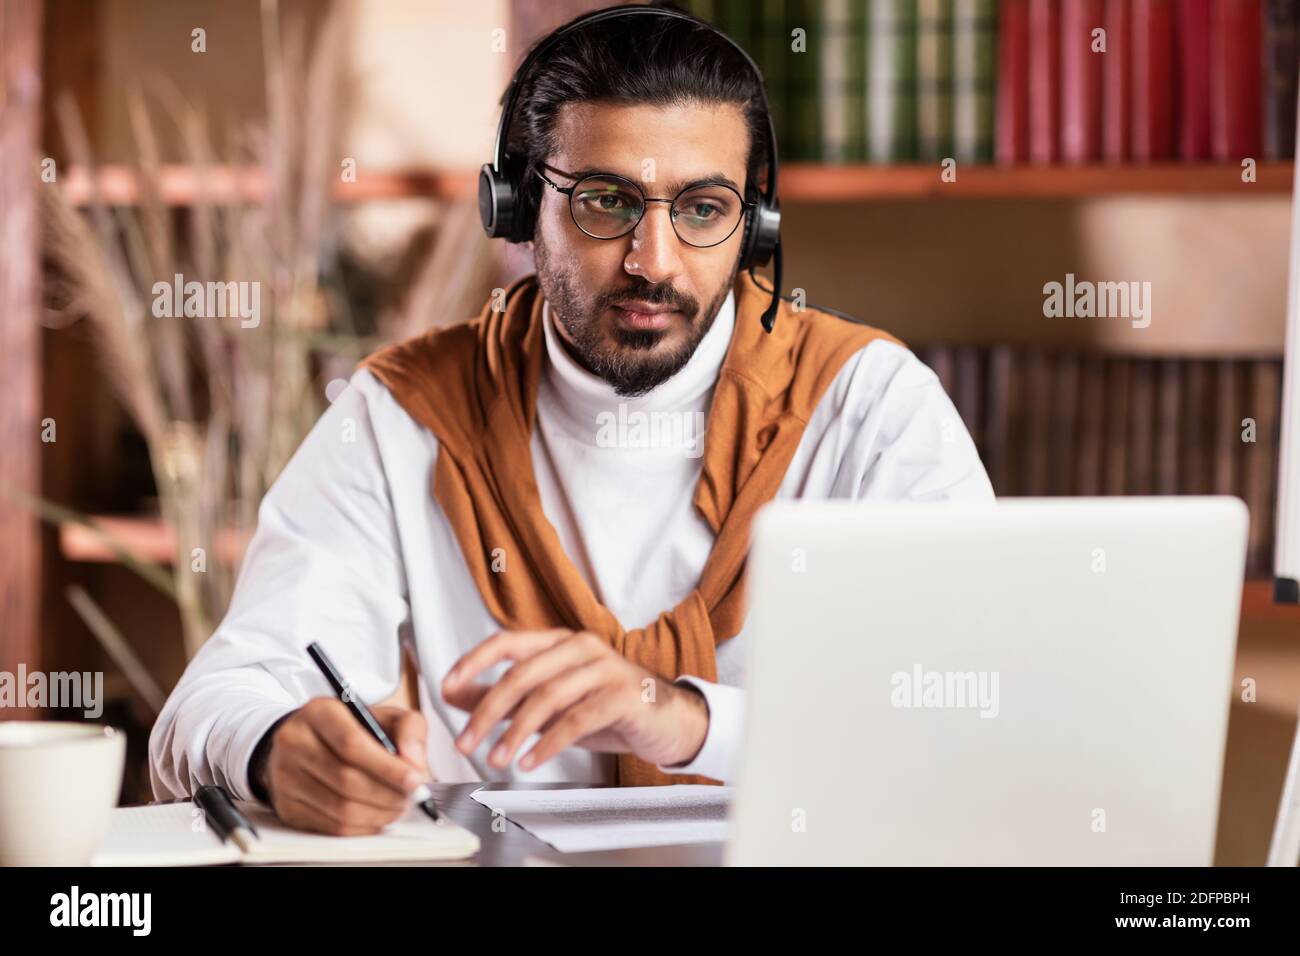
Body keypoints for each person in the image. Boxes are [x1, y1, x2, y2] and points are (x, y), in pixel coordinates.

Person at [150, 6, 993, 836]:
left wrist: (683, 718)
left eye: (702, 209)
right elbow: (209, 706)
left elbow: (980, 721)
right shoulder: (403, 411)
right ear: (516, 208)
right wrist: (273, 747)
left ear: (756, 225)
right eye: (605, 202)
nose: (653, 262)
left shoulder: (871, 406)